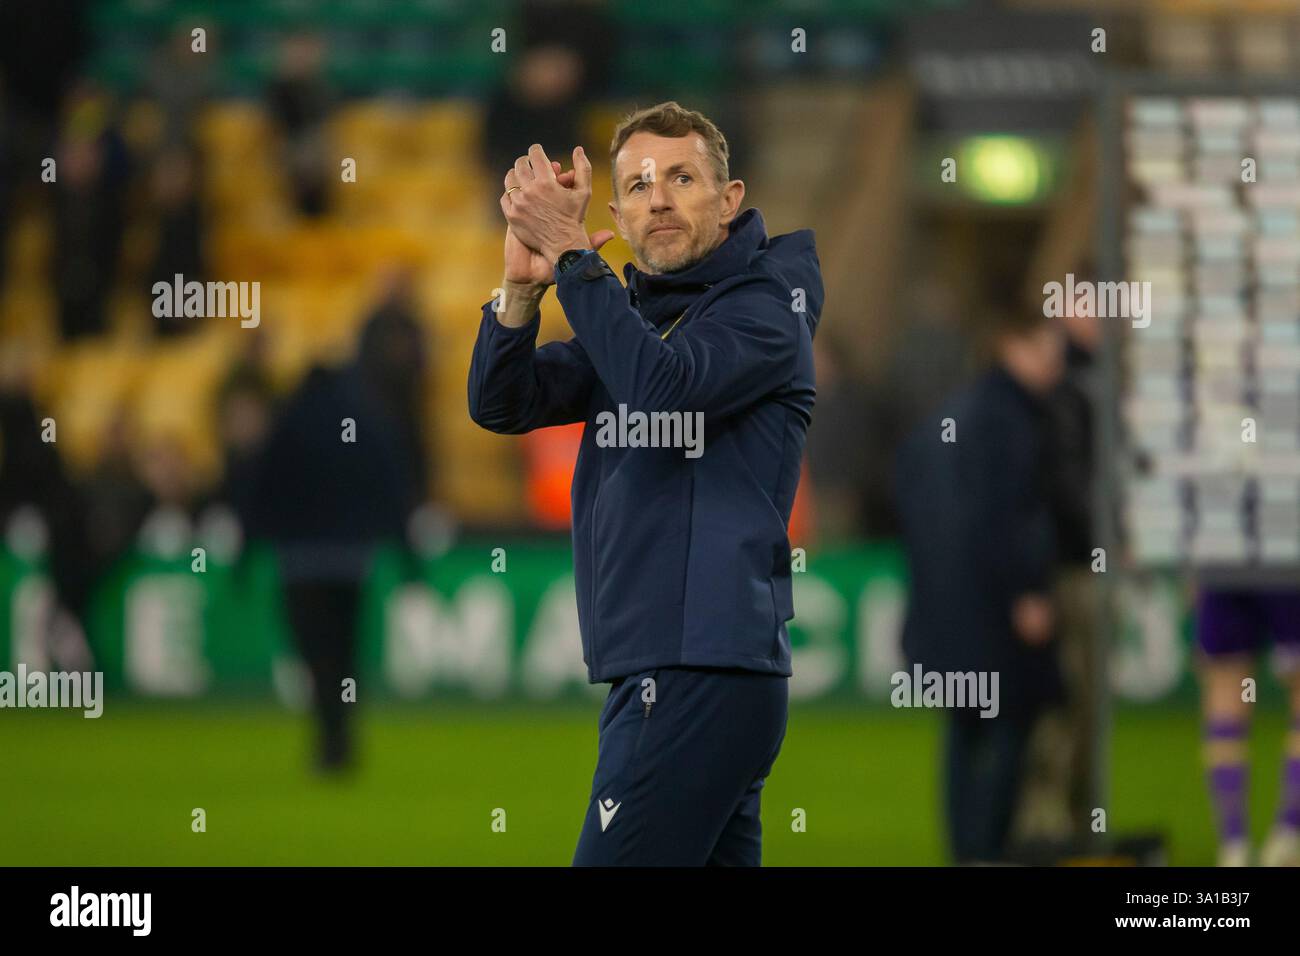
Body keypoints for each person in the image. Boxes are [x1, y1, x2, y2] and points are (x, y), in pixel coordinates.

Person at [467, 101, 821, 865]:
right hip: (684, 668)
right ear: (620, 215)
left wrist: (573, 258)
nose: (657, 198)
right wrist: (523, 290)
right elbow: (501, 403)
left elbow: (662, 390)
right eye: (635, 186)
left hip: (700, 670)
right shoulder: (635, 322)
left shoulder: (765, 312)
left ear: (729, 202)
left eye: (681, 178)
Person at [895, 310, 1065, 864]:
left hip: (945, 605)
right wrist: (1027, 590)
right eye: (1045, 349)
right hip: (993, 611)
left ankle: (966, 852)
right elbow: (1009, 514)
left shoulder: (949, 413)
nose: (1054, 364)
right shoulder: (1010, 418)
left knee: (965, 729)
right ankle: (987, 851)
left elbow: (910, 498)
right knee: (1011, 728)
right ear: (1011, 345)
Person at [247, 305, 426, 773]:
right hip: (350, 562)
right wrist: (408, 557)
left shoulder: (290, 420)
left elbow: (260, 488)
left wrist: (245, 554)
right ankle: (342, 736)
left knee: (315, 654)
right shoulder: (364, 420)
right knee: (344, 652)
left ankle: (328, 737)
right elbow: (392, 487)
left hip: (299, 563)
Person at [1195, 588, 1300, 866]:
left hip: (1226, 559)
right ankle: (1288, 835)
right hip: (1285, 563)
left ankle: (1234, 845)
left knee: (1226, 691)